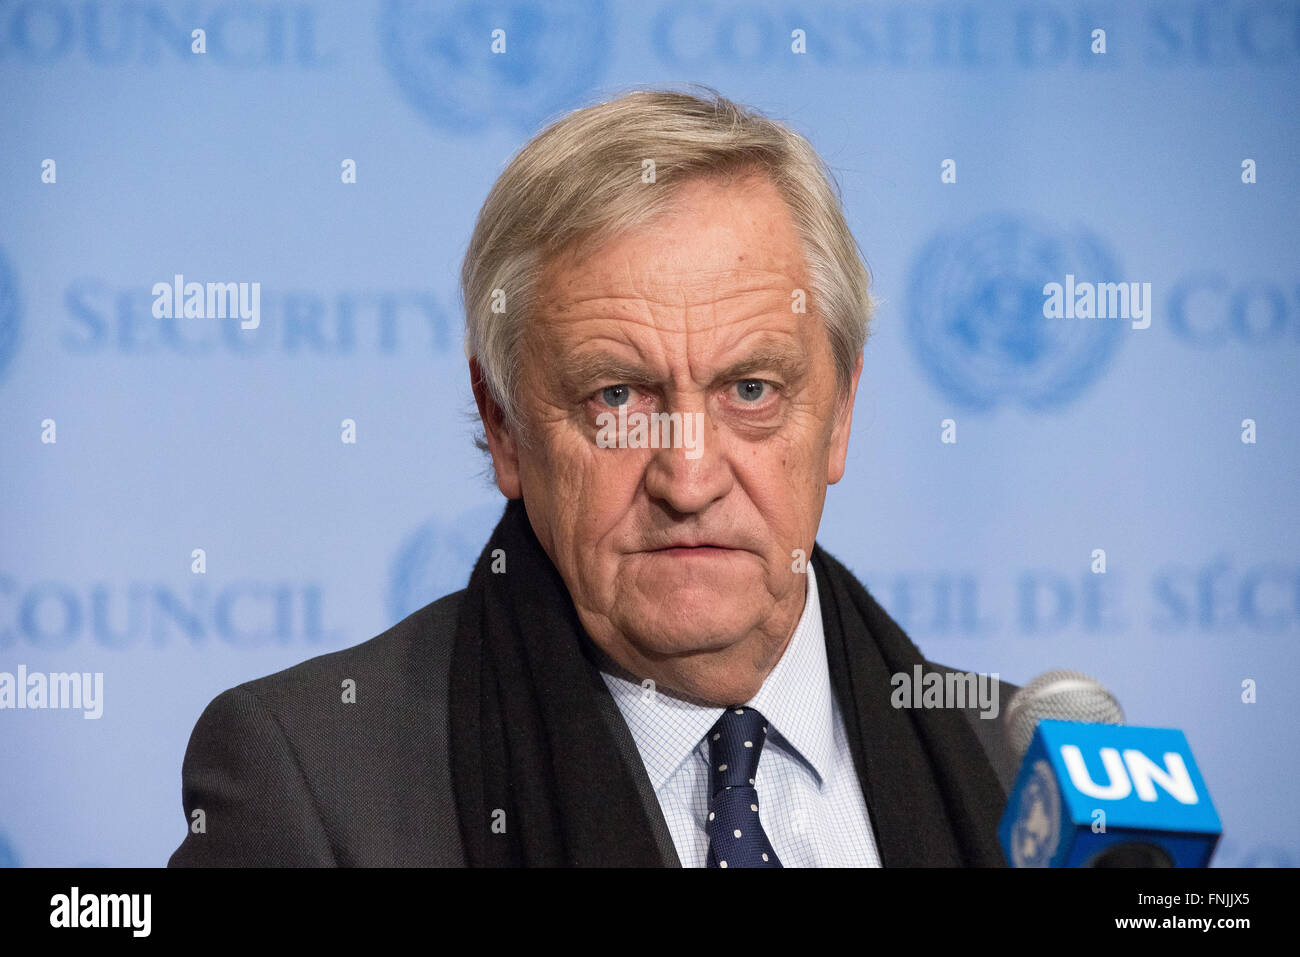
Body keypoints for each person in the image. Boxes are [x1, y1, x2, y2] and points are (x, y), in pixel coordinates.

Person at [169, 87, 1016, 868]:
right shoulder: (312, 782)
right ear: (503, 422)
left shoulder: (1031, 770)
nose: (687, 480)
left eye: (750, 389)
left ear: (840, 412)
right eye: (617, 396)